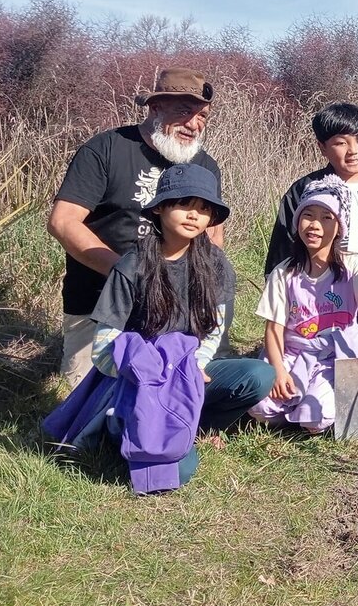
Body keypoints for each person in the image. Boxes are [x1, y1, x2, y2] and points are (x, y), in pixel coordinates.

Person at [44, 164, 273, 492]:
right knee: (177, 474)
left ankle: (196, 428)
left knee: (259, 376)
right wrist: (153, 375)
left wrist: (196, 365)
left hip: (188, 375)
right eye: (184, 204)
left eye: (204, 208)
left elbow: (215, 326)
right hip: (136, 382)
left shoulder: (216, 264)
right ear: (161, 208)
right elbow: (104, 346)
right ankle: (120, 430)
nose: (194, 215)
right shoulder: (132, 265)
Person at [49, 67, 223, 387]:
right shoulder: (106, 149)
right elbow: (63, 221)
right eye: (184, 111)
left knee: (177, 392)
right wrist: (129, 276)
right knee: (82, 409)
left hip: (175, 311)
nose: (194, 124)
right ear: (155, 107)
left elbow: (212, 236)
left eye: (202, 117)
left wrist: (191, 289)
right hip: (98, 303)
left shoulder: (204, 166)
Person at [249, 177, 358, 433]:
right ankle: (291, 407)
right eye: (308, 215)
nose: (315, 225)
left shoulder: (353, 266)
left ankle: (309, 406)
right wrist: (278, 372)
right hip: (293, 354)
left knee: (315, 419)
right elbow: (273, 330)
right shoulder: (285, 273)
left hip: (335, 358)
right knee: (259, 408)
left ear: (339, 227)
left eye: (326, 217)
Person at [265, 103, 358, 278]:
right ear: (322, 147)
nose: (353, 151)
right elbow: (283, 251)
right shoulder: (306, 190)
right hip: (318, 292)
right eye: (341, 143)